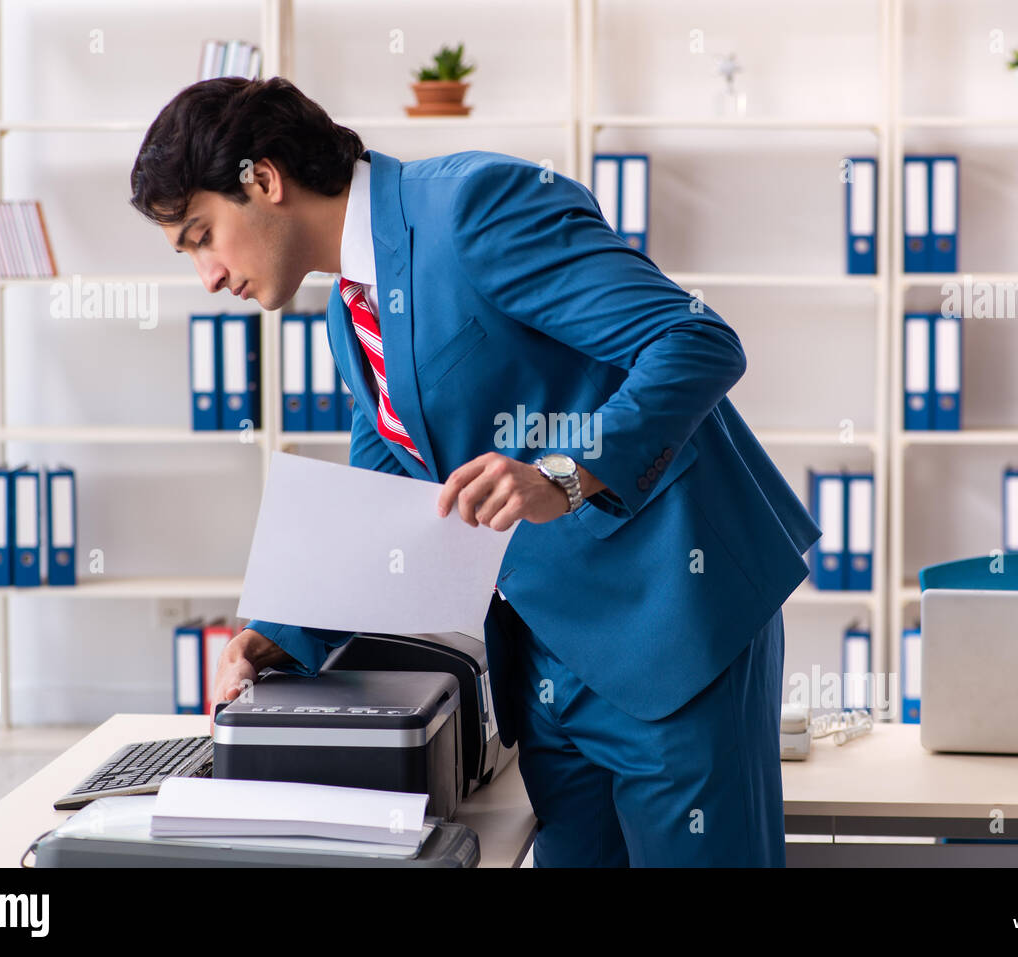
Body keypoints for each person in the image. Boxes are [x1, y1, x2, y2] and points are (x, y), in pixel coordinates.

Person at [129, 76, 821, 866]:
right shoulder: (348, 310)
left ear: (264, 179)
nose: (209, 276)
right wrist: (277, 636)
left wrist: (561, 472)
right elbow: (385, 497)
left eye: (200, 235)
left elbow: (696, 342)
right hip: (547, 665)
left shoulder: (472, 207)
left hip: (669, 625)